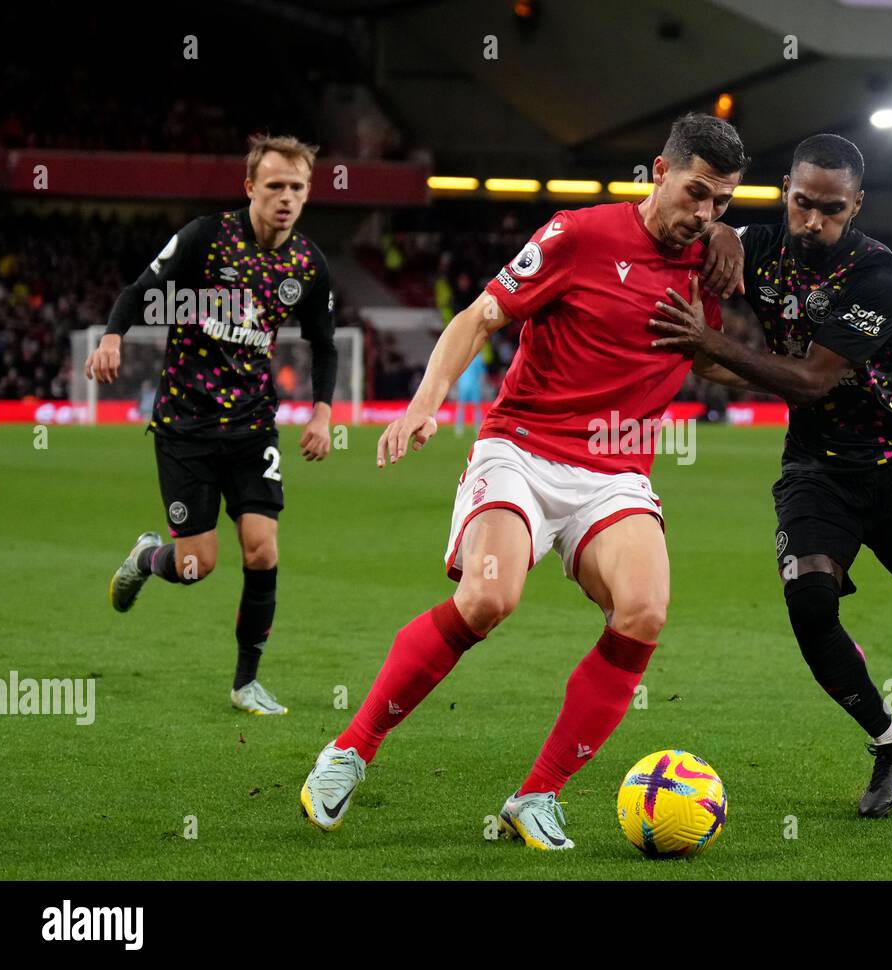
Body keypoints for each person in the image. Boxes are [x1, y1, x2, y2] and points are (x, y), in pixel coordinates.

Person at [299, 113, 750, 848]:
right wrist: (424, 405)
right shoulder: (579, 235)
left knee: (644, 611)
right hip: (523, 450)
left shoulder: (711, 261)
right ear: (660, 172)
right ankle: (350, 750)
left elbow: (707, 351)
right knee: (488, 597)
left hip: (616, 472)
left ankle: (537, 796)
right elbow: (480, 317)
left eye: (722, 203)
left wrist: (799, 376)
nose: (704, 214)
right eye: (696, 193)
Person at [649, 133, 892, 819]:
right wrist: (720, 231)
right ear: (785, 191)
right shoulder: (758, 246)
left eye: (832, 210)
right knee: (810, 605)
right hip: (817, 468)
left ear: (857, 205)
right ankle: (891, 743)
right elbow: (697, 228)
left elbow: (812, 381)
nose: (813, 221)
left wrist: (707, 341)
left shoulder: (878, 275)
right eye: (803, 204)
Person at [90, 134, 337, 716]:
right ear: (250, 187)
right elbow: (141, 290)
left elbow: (324, 344)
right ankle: (147, 558)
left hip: (252, 426)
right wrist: (112, 336)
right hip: (186, 426)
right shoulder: (206, 237)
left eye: (296, 187)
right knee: (195, 565)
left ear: (308, 193)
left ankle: (246, 682)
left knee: (262, 550)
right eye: (274, 185)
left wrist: (323, 412)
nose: (286, 197)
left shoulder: (307, 264)